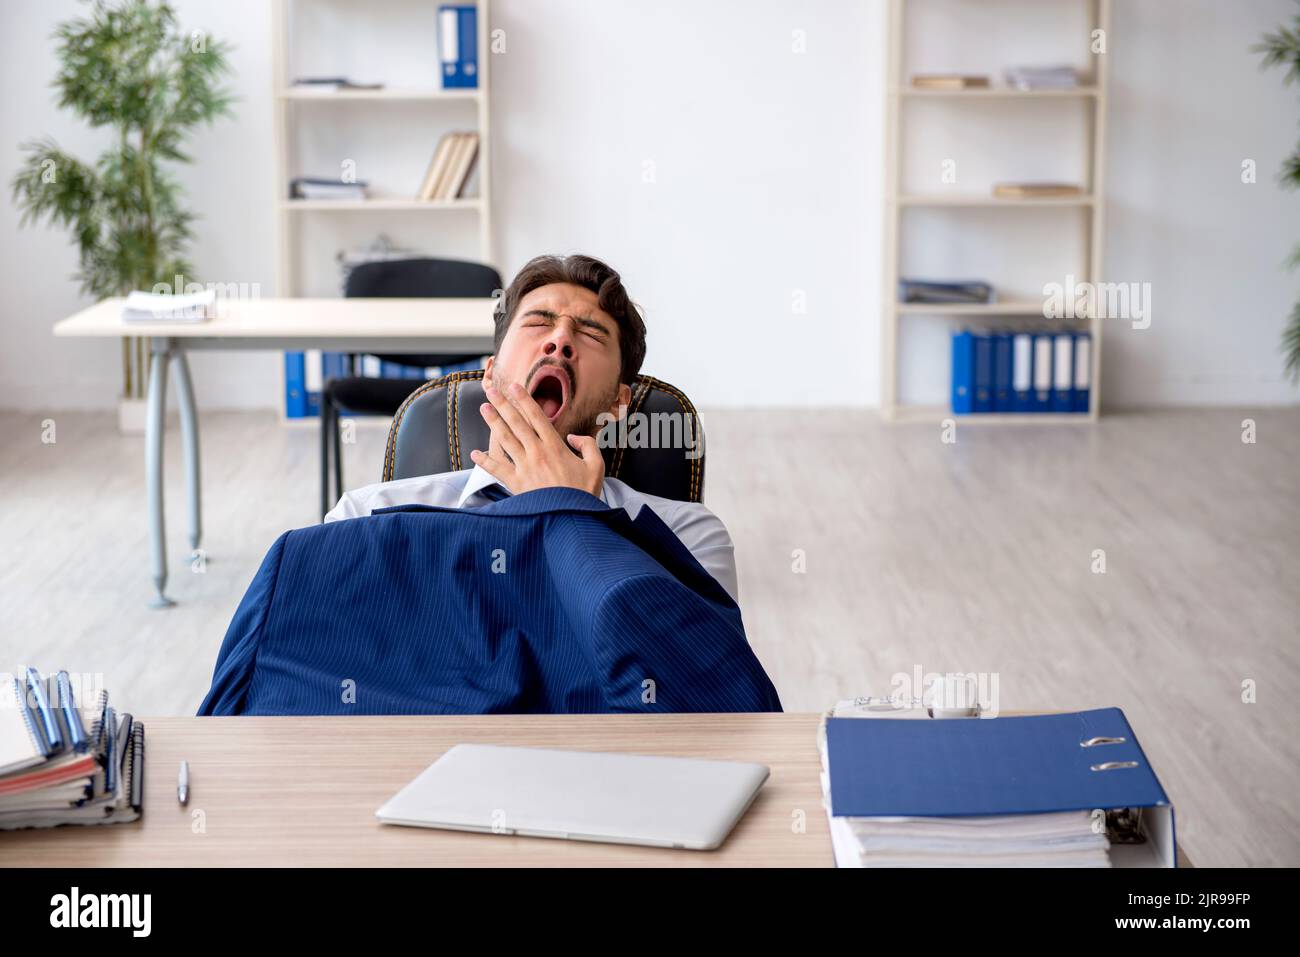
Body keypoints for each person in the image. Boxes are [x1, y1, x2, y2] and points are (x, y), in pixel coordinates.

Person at [325, 253, 740, 604]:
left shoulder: (689, 538)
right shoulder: (363, 519)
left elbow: (699, 685)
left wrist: (571, 513)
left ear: (618, 402)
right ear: (491, 375)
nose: (559, 340)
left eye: (591, 332)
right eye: (539, 322)